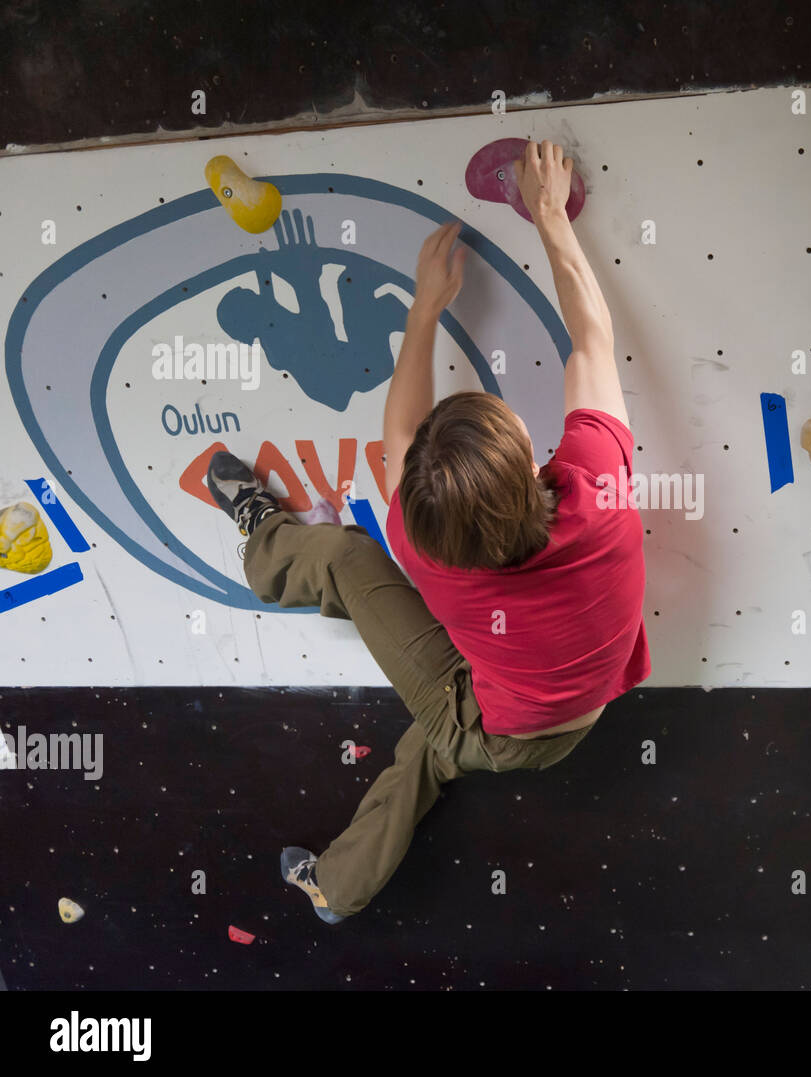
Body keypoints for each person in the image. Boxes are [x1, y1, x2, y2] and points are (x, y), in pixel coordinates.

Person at [205, 139, 650, 923]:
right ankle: (334, 890)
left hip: (503, 722)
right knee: (434, 741)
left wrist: (422, 312)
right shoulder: (600, 493)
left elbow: (398, 439)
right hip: (586, 706)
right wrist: (550, 214)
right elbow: (591, 343)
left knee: (344, 558)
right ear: (524, 448)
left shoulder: (421, 548)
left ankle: (262, 544)